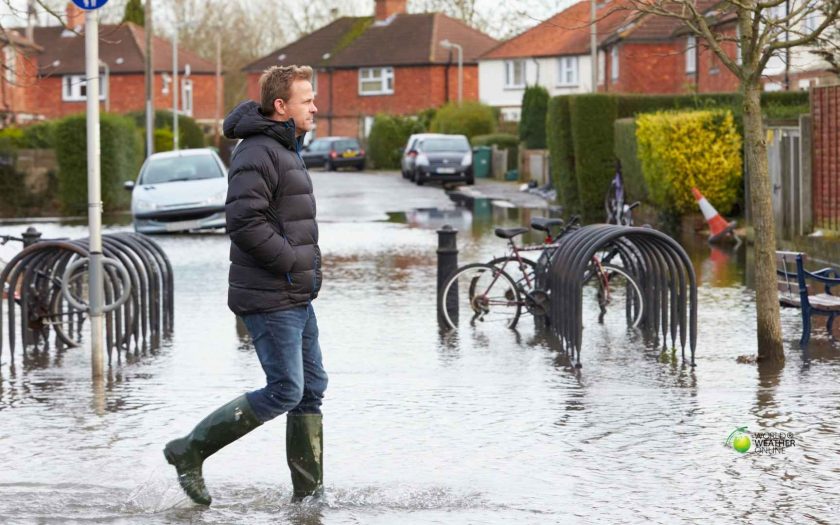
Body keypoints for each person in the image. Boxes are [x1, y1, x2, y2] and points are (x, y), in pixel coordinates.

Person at [163, 65, 327, 506]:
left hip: (295, 293)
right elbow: (243, 221)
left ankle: (309, 499)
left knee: (311, 390)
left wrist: (304, 269)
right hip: (271, 294)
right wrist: (293, 261)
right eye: (306, 99)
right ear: (281, 106)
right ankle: (190, 448)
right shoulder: (258, 151)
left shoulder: (285, 147)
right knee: (286, 389)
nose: (315, 106)